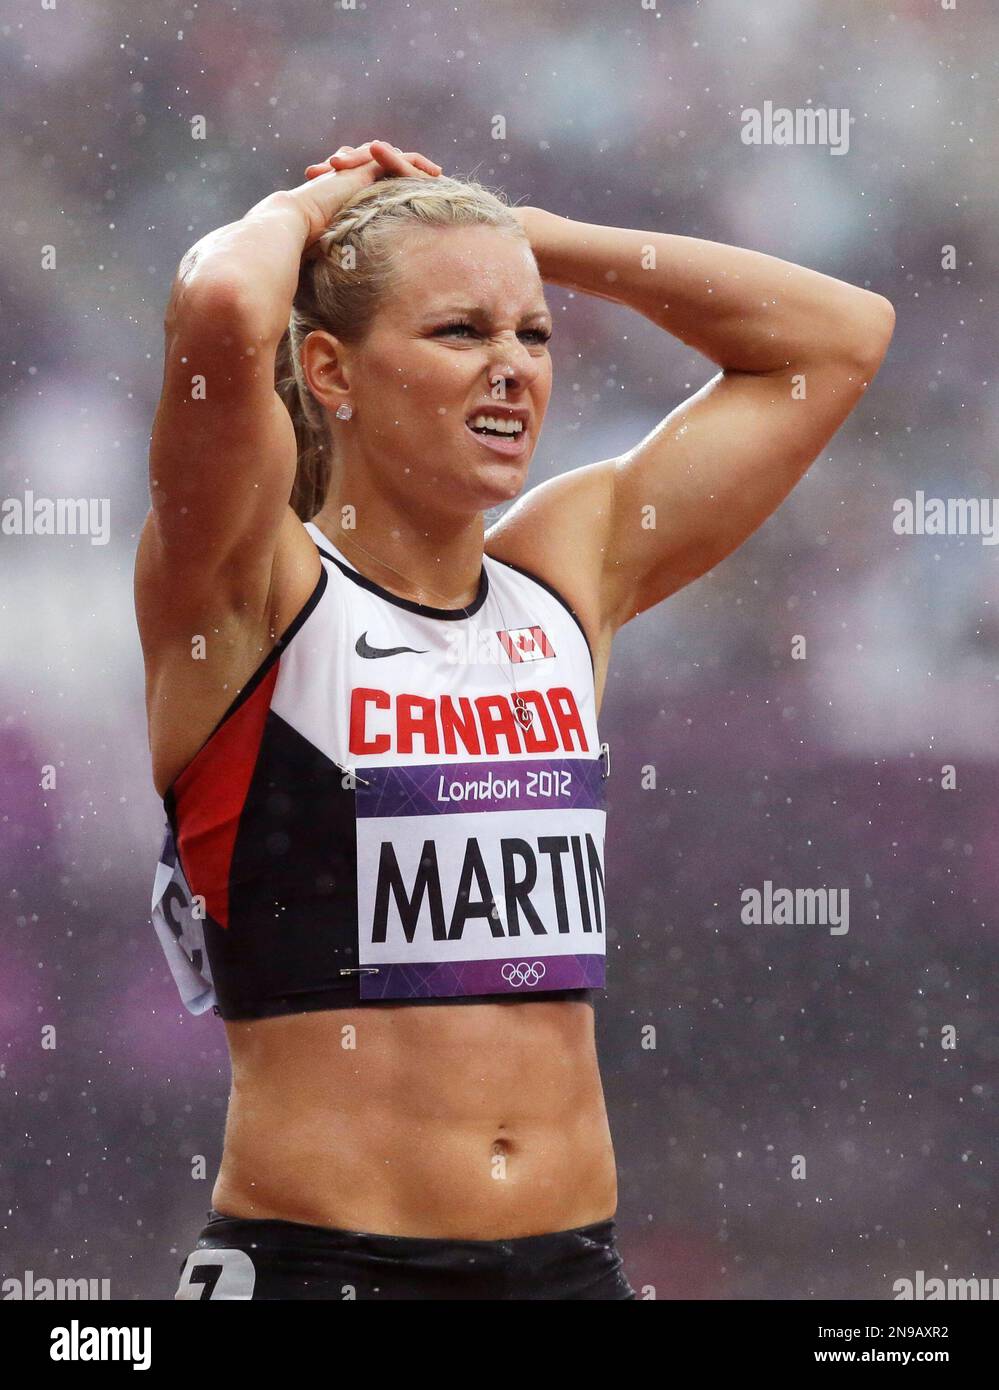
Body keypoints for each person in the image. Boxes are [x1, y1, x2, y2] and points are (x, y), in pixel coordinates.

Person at [135, 138, 894, 1300]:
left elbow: (839, 337)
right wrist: (317, 204)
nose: (512, 369)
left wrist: (520, 237)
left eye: (532, 336)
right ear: (331, 372)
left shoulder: (563, 578)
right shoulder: (249, 593)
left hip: (571, 1269)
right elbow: (231, 299)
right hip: (322, 1270)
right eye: (459, 333)